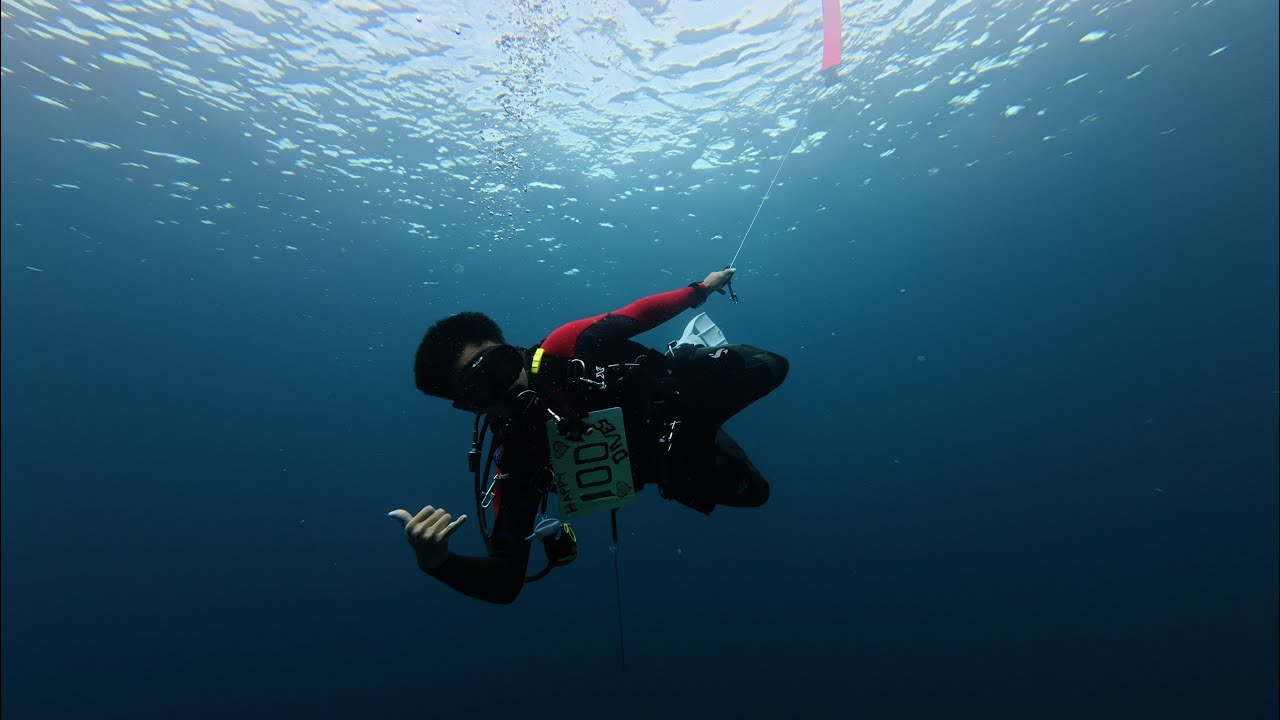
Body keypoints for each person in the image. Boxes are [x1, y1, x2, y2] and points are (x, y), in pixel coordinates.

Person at [389, 268, 788, 603]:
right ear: (471, 406)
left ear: (509, 348)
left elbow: (638, 314)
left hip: (678, 396)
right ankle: (692, 425)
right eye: (481, 387)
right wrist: (436, 562)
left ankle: (683, 356)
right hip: (672, 457)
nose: (505, 386)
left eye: (499, 365)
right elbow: (505, 579)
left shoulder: (567, 347)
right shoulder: (518, 458)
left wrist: (701, 288)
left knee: (770, 366)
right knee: (756, 493)